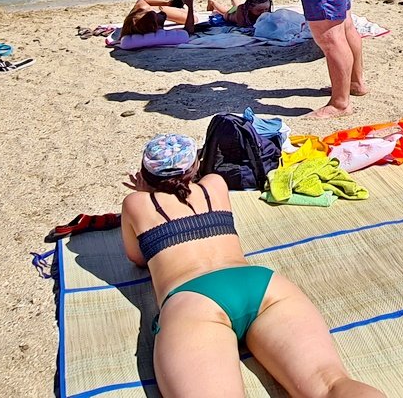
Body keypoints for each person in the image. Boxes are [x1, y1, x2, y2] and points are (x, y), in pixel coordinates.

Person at [119, 133, 386, 398]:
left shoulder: (135, 203)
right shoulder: (215, 183)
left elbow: (138, 257)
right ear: (196, 165)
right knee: (330, 384)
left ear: (145, 174)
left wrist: (145, 196)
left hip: (192, 301)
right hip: (260, 286)